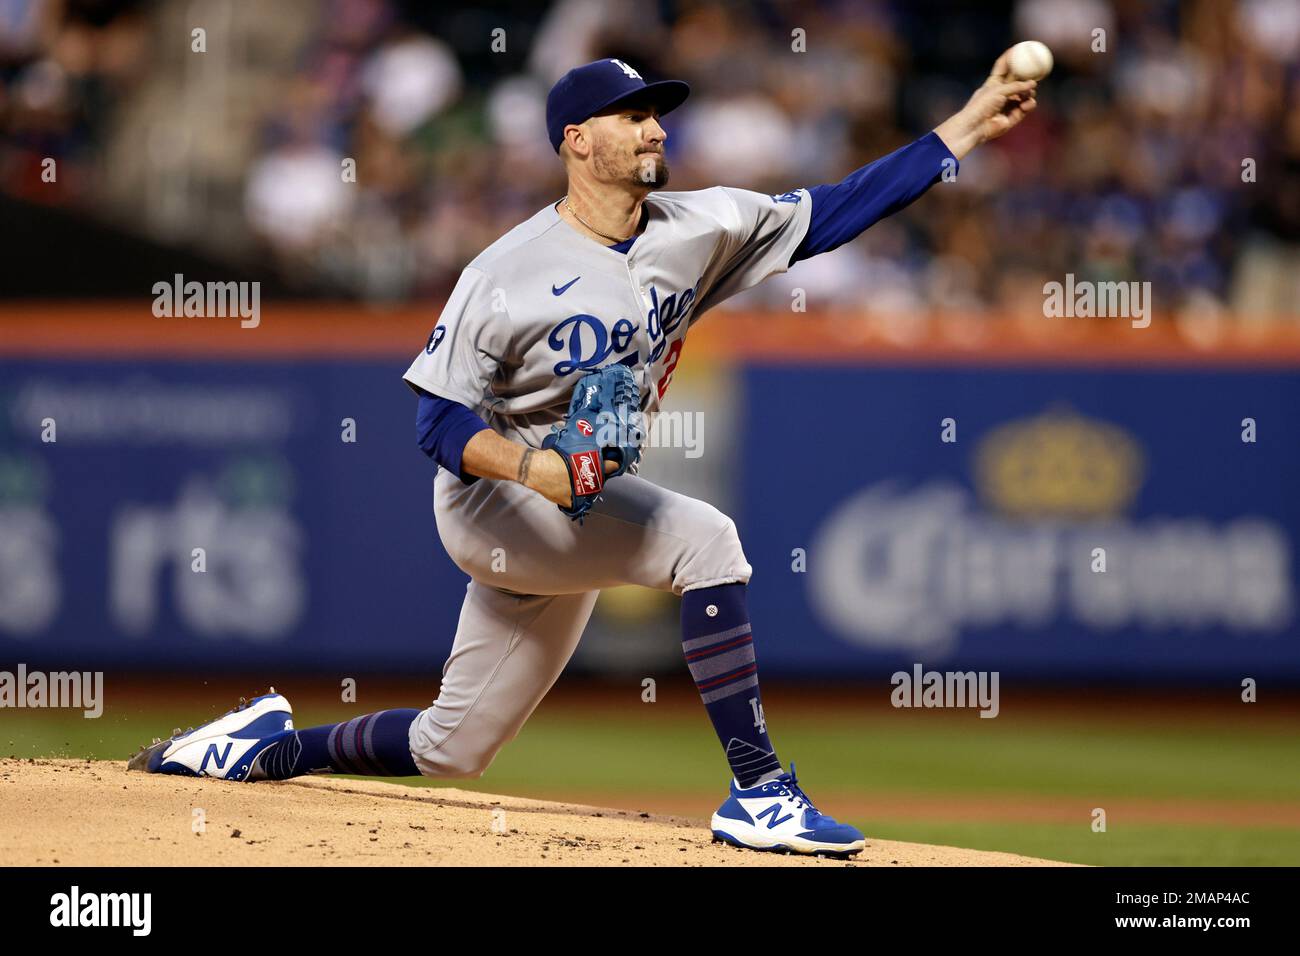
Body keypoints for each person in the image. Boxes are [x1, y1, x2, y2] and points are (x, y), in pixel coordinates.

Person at [130, 53, 1036, 857]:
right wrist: (534, 471)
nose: (654, 126)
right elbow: (436, 425)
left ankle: (262, 747)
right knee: (707, 540)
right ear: (577, 140)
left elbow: (837, 210)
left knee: (457, 745)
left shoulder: (701, 225)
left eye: (657, 111)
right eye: (632, 114)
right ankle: (760, 792)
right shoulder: (507, 268)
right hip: (494, 503)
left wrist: (964, 124)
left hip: (578, 499)